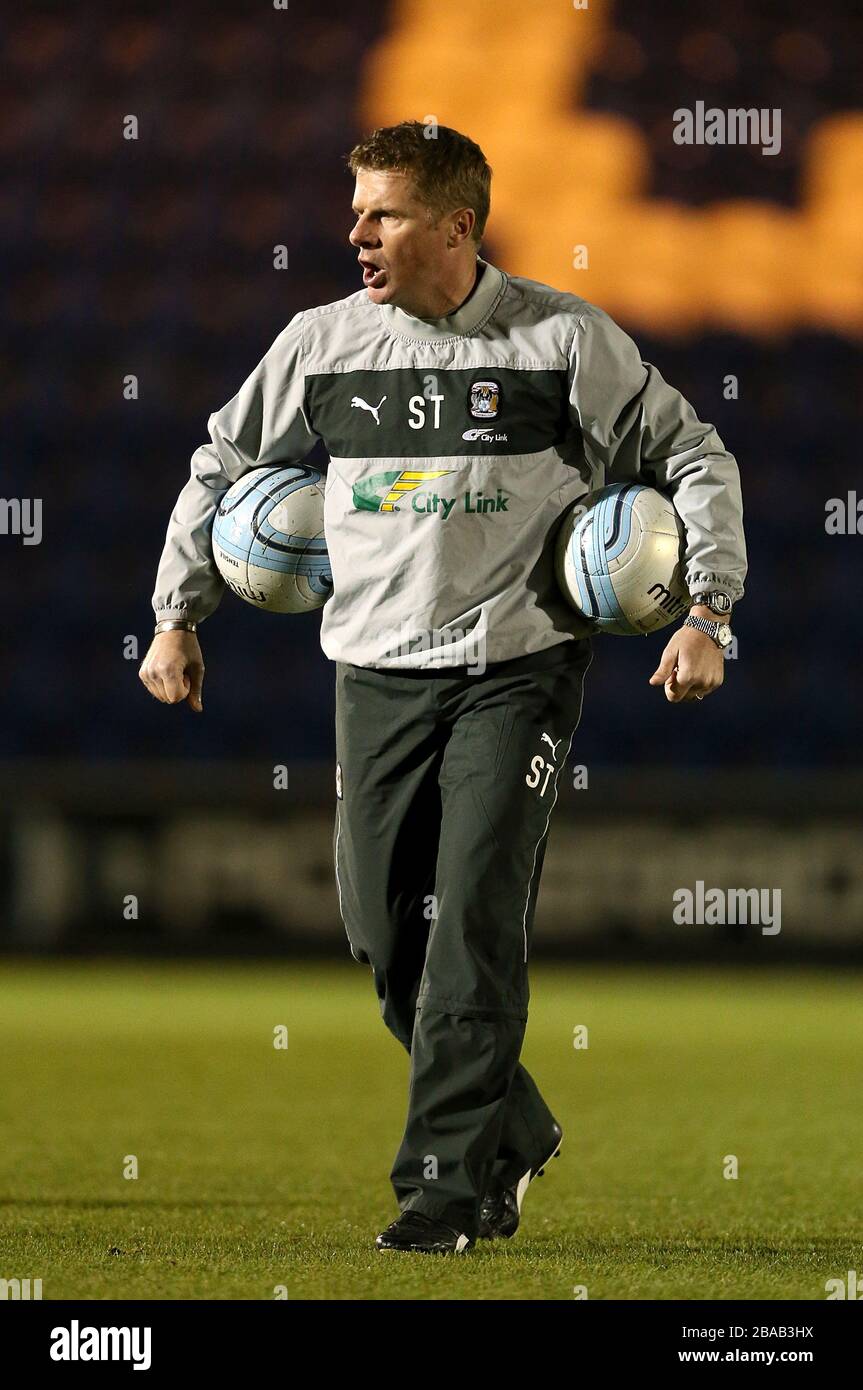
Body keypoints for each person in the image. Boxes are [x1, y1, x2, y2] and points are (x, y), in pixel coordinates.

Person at [140, 120, 746, 1255]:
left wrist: (706, 608)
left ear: (456, 226)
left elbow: (693, 455)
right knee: (385, 939)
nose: (354, 233)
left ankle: (443, 1187)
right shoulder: (321, 345)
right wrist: (176, 614)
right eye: (356, 211)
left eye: (382, 214)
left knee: (469, 921)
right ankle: (511, 1124)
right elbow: (219, 464)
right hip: (372, 676)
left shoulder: (560, 341)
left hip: (514, 674)